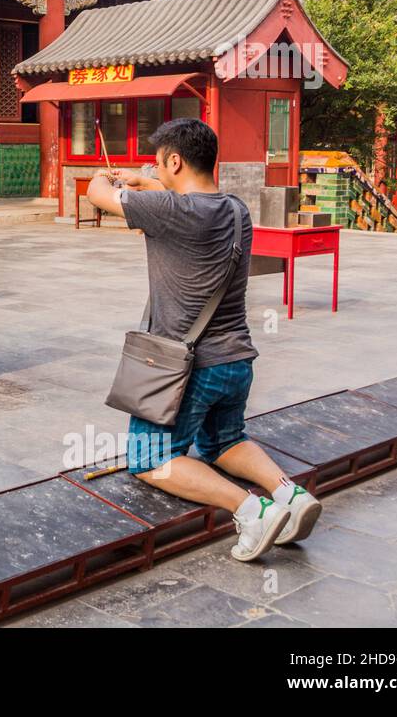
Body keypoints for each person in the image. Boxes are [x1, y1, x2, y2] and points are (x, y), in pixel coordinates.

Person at [86, 118, 321, 562]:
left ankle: (252, 510)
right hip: (237, 360)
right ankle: (290, 494)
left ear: (174, 161)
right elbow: (186, 203)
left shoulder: (169, 213)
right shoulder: (236, 209)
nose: (155, 171)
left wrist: (110, 178)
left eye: (159, 164)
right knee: (225, 441)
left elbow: (95, 195)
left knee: (151, 459)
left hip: (187, 368)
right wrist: (149, 183)